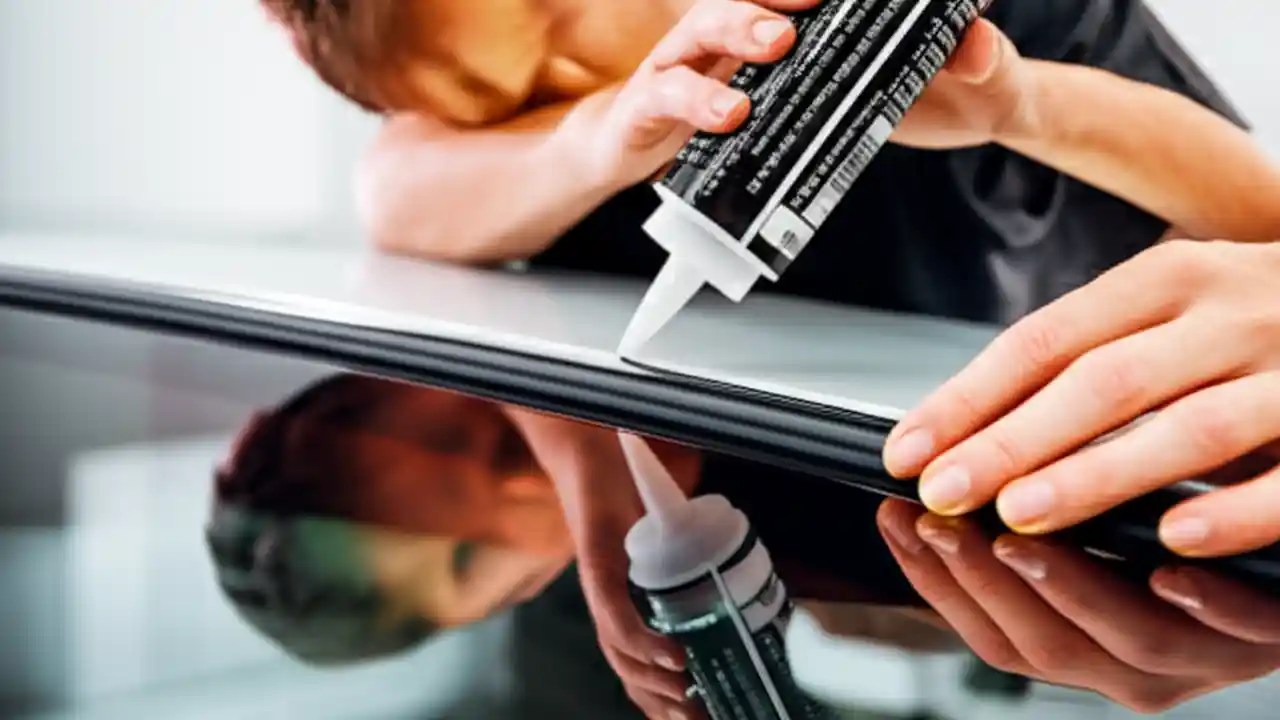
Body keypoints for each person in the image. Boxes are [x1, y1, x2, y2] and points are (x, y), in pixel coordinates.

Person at [259, 1, 1280, 715]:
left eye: (559, 20)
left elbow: (1255, 225)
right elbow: (393, 191)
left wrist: (1017, 105)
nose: (579, 75)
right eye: (508, 93)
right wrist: (593, 141)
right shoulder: (578, 151)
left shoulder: (906, 24)